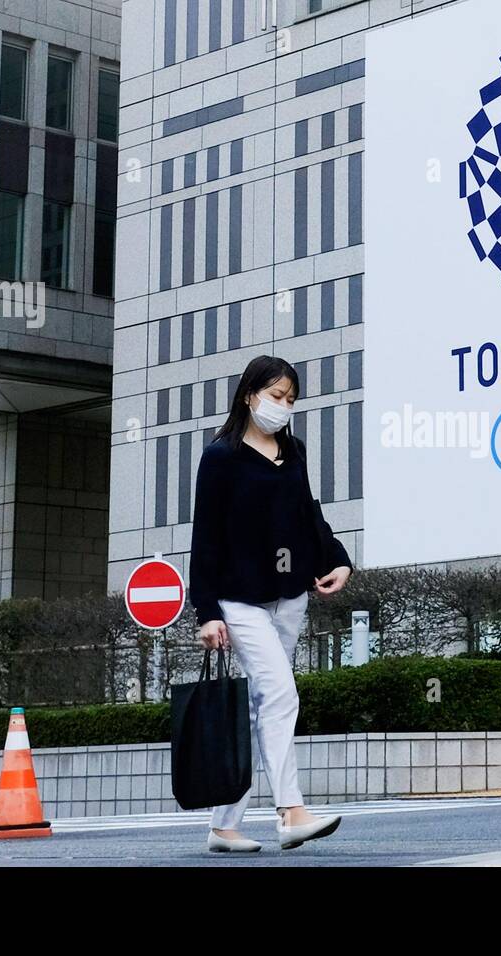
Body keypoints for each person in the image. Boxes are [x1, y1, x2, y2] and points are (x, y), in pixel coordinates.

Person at [189, 355, 354, 852]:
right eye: (276, 396)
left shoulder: (294, 450)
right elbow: (206, 538)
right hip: (239, 599)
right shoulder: (221, 457)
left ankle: (223, 827)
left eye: (290, 399)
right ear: (249, 395)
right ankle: (291, 812)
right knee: (281, 693)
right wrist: (207, 613)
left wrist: (339, 559)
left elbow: (310, 514)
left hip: (290, 594)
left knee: (266, 705)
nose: (282, 406)